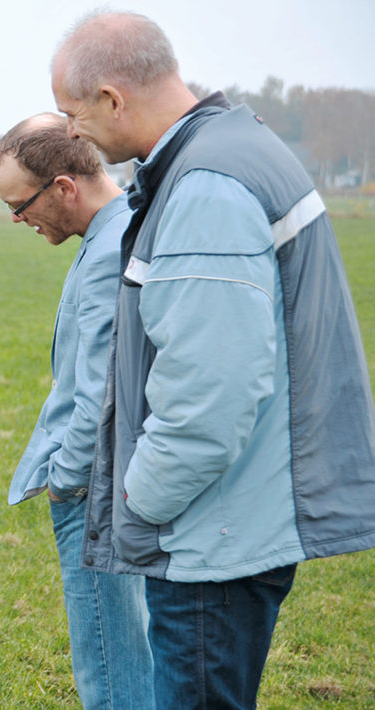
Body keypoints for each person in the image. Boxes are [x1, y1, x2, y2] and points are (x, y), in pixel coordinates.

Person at [52, 11, 375, 709]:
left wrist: (142, 498)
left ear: (112, 98)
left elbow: (212, 391)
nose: (70, 133)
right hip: (234, 514)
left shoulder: (205, 186)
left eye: (72, 114)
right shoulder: (236, 147)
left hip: (210, 534)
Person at [0, 113, 152, 709]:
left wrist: (67, 479)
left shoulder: (111, 249)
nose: (15, 218)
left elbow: (99, 391)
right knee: (133, 646)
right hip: (111, 479)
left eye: (19, 203)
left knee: (110, 660)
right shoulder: (120, 230)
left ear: (63, 187)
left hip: (95, 486)